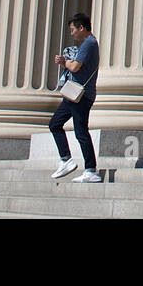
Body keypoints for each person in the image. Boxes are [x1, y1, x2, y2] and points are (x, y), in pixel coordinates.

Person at [49, 13, 101, 182]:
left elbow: (75, 67)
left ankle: (90, 169)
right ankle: (66, 160)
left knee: (80, 132)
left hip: (81, 96)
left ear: (81, 28)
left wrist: (64, 63)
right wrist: (67, 63)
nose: (71, 34)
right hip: (74, 95)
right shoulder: (88, 43)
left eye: (73, 30)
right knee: (55, 124)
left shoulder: (89, 43)